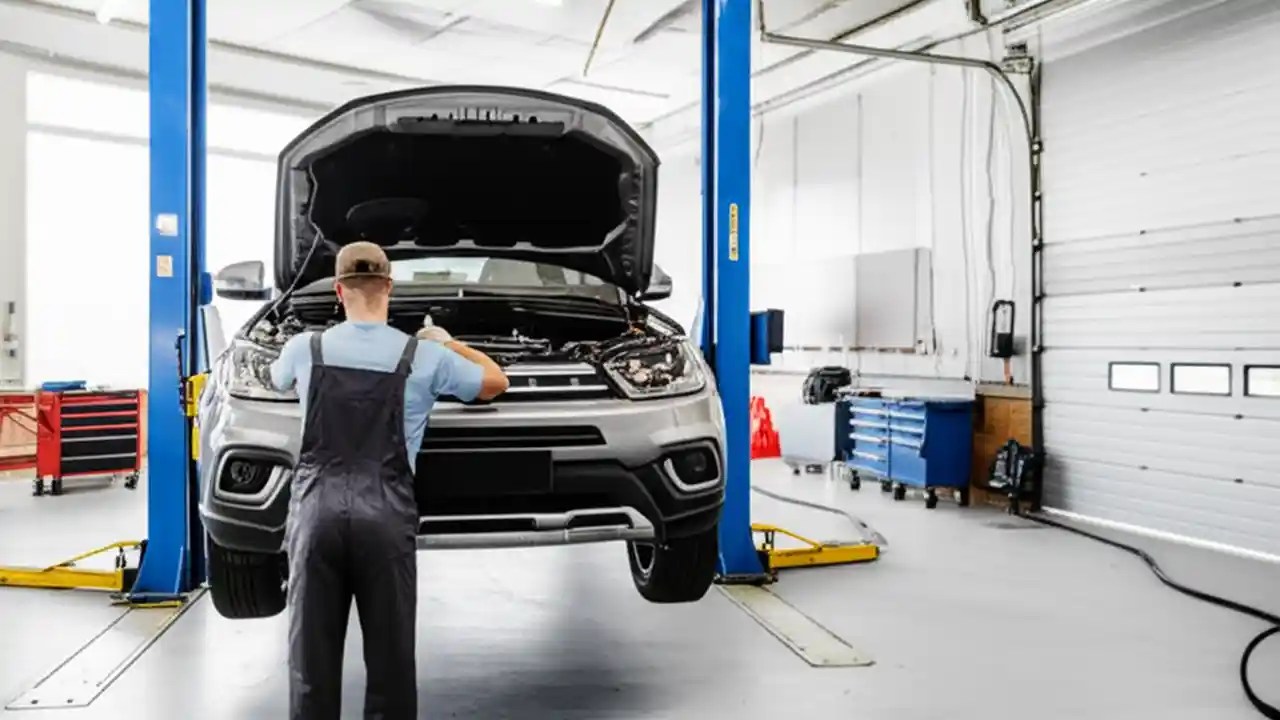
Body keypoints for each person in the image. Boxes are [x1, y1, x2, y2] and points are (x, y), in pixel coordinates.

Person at [269, 241, 508, 720]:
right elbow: (495, 381)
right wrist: (447, 342)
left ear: (339, 291)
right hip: (386, 516)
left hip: (316, 515)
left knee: (310, 662)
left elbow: (277, 381)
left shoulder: (304, 349)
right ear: (389, 289)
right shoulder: (422, 356)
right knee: (391, 661)